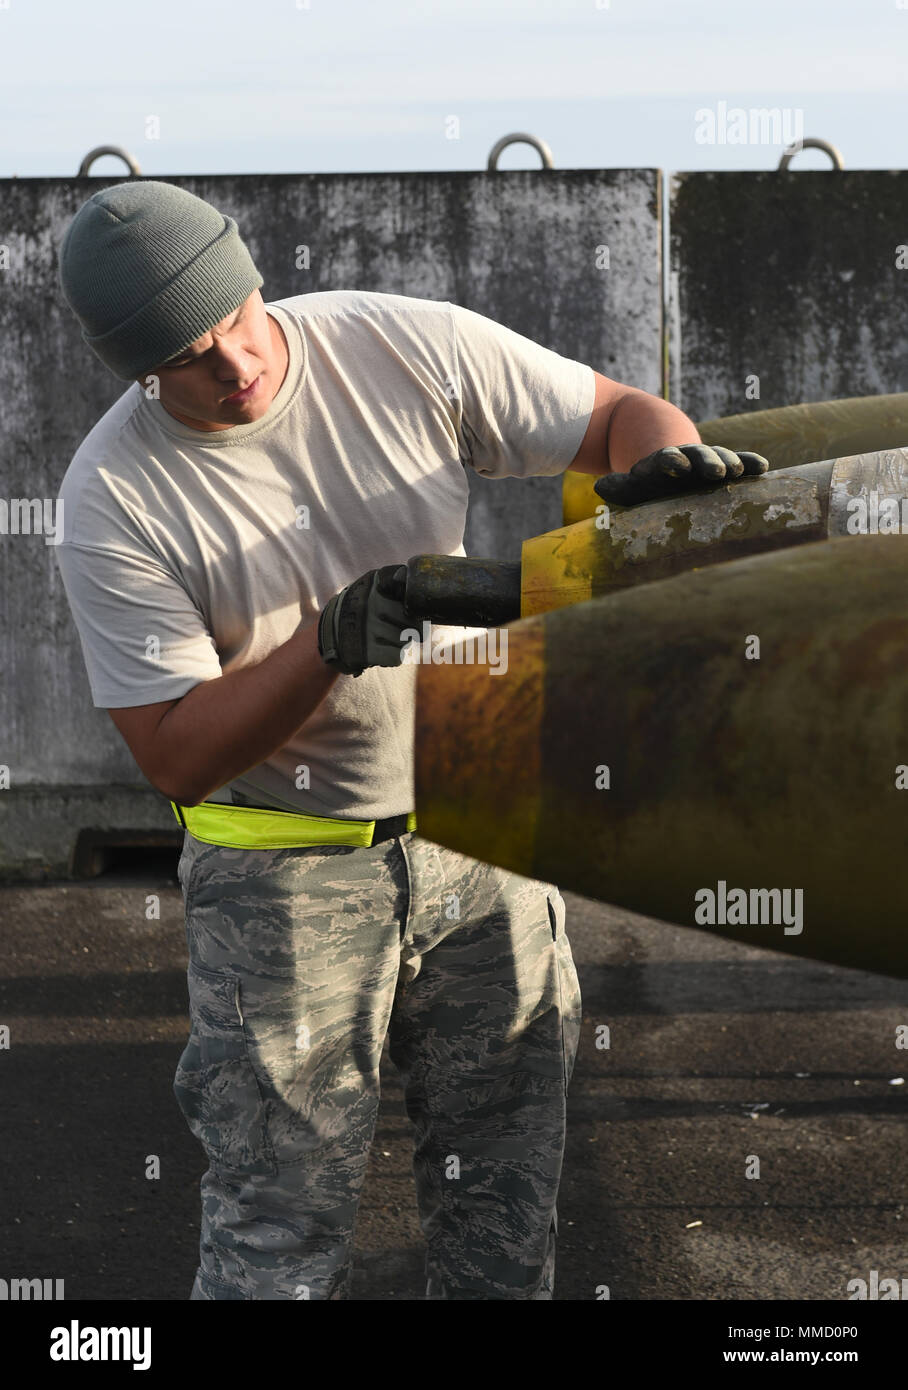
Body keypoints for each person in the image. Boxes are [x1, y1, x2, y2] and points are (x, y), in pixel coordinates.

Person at [54, 179, 766, 1300]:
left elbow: (617, 415)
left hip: (478, 836)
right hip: (280, 883)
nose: (233, 367)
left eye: (233, 322)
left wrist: (661, 475)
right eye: (185, 360)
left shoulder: (395, 345)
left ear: (251, 276)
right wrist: (328, 639)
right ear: (131, 368)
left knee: (503, 1214)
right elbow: (175, 754)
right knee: (274, 1239)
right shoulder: (113, 501)